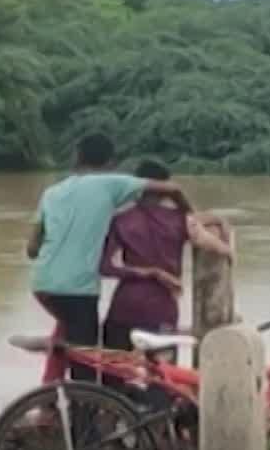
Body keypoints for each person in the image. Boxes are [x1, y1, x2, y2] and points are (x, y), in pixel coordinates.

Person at [26, 134, 187, 384]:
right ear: (111, 162)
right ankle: (81, 419)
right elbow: (173, 189)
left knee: (68, 335)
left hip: (42, 283)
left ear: (76, 157)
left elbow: (32, 248)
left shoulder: (51, 192)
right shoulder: (112, 183)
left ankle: (50, 399)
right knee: (86, 363)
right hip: (78, 289)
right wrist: (189, 216)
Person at [99, 159, 232, 353]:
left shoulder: (120, 220)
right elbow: (199, 226)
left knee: (115, 373)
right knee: (162, 376)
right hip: (161, 307)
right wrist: (219, 222)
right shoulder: (179, 220)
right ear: (167, 187)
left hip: (124, 307)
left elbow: (105, 267)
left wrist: (150, 272)